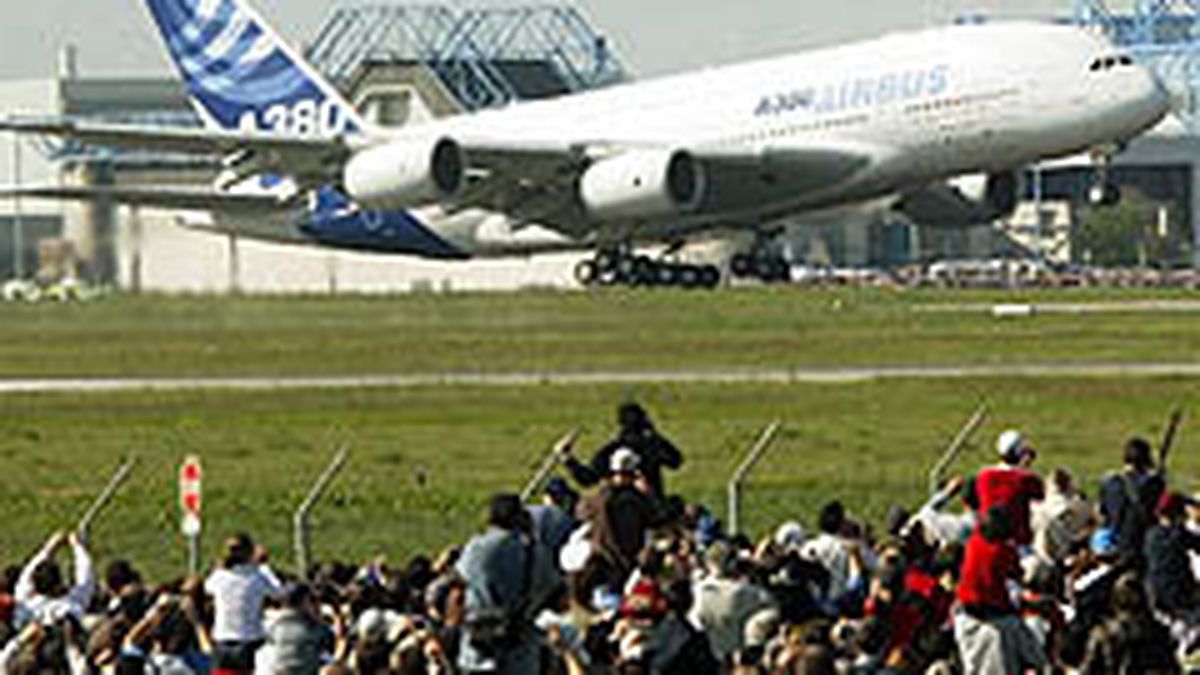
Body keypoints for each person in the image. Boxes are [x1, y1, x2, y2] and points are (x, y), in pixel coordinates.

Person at [456, 493, 561, 674]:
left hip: (480, 644)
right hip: (521, 648)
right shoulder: (536, 553)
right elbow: (551, 588)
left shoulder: (477, 548)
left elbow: (461, 577)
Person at [954, 506, 1046, 675]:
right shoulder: (1001, 552)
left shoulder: (974, 542)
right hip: (991, 611)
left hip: (968, 608)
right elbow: (1017, 575)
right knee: (1024, 637)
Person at [578, 448, 668, 586]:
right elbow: (658, 519)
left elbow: (580, 513)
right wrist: (649, 494)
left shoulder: (598, 496)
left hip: (601, 561)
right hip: (625, 563)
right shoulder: (635, 500)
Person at [561, 402, 684, 496]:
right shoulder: (652, 446)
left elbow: (587, 479)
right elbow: (676, 461)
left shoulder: (611, 450)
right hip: (651, 509)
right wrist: (655, 435)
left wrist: (568, 459)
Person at [205, 533, 284, 675]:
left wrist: (218, 568)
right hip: (250, 640)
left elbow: (207, 588)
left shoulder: (219, 576)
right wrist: (264, 566)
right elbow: (278, 592)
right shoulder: (258, 577)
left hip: (222, 640)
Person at [964, 430, 1044, 548]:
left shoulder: (984, 475)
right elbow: (1041, 495)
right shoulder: (1026, 479)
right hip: (1017, 542)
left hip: (983, 538)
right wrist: (1025, 468)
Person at [1099, 437, 1166, 566]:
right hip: (1142, 548)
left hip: (1116, 545)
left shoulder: (1109, 482)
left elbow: (1104, 513)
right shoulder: (1153, 485)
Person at [13, 531, 95, 629]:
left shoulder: (23, 601)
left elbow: (27, 575)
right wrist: (77, 545)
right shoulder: (71, 606)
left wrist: (51, 546)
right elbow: (85, 576)